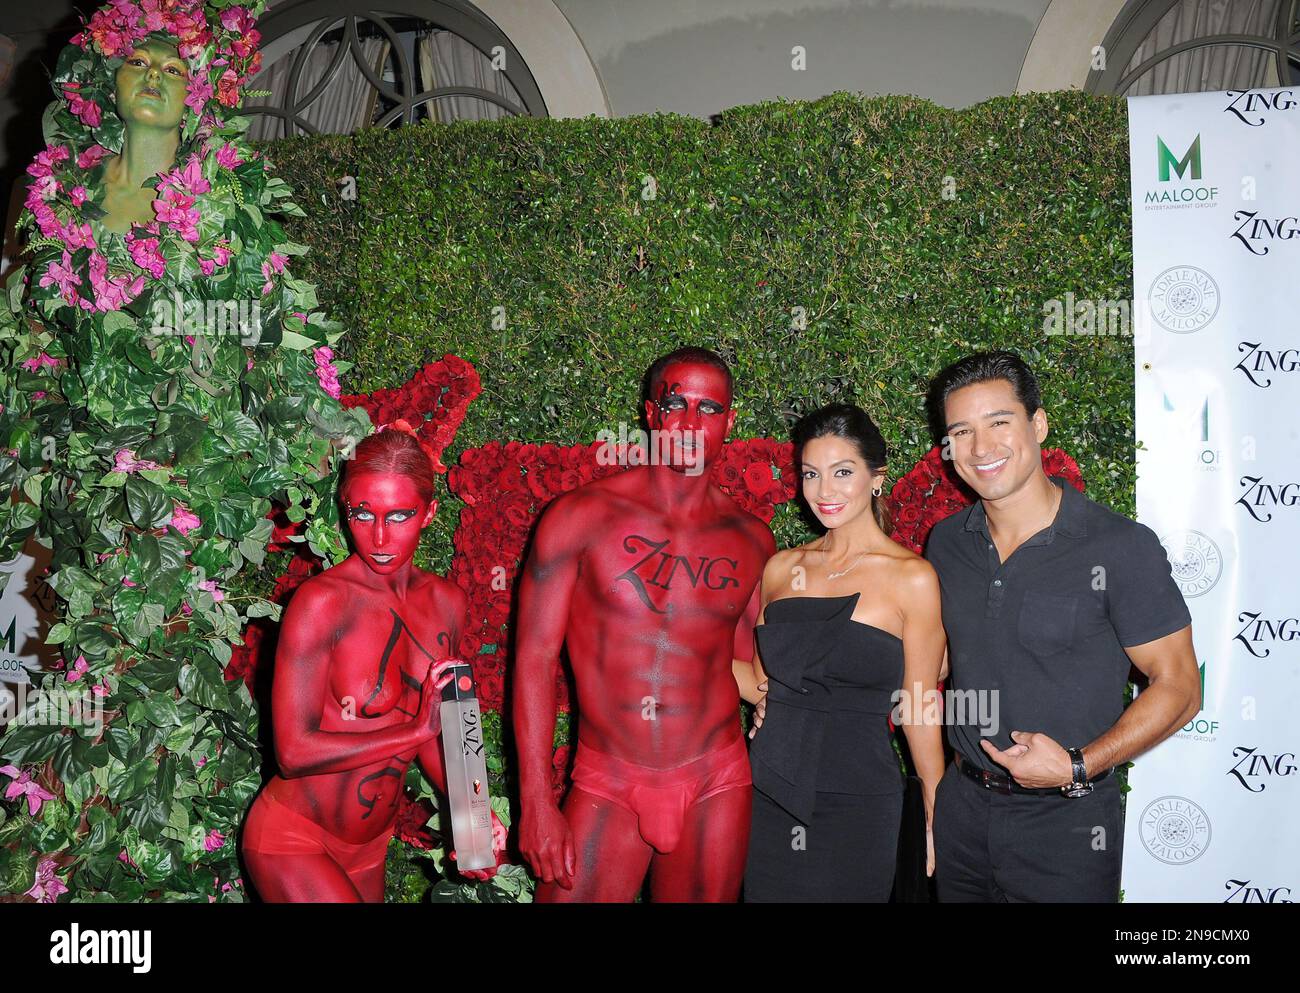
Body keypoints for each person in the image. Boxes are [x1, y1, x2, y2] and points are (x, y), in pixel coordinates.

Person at [924, 351, 1200, 902]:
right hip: (963, 813)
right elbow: (933, 664)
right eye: (962, 431)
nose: (981, 448)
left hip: (1068, 826)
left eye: (999, 422)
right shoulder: (947, 544)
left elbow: (1180, 688)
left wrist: (1078, 765)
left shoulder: (1119, 546)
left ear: (1039, 424)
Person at [514, 346, 775, 902]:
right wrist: (534, 800)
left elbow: (747, 666)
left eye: (709, 409)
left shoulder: (751, 539)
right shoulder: (578, 517)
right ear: (651, 413)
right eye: (676, 403)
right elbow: (534, 659)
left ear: (729, 421)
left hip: (717, 776)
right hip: (610, 780)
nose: (689, 423)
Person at [242, 423, 505, 902]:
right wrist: (416, 731)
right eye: (363, 514)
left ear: (428, 513)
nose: (379, 536)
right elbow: (293, 753)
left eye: (399, 516)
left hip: (369, 846)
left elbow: (435, 727)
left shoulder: (448, 604)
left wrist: (475, 816)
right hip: (295, 839)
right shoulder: (322, 602)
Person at [743, 404, 946, 902]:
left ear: (877, 478)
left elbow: (919, 705)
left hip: (859, 796)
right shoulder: (780, 569)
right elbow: (757, 679)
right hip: (767, 786)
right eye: (811, 474)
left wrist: (936, 808)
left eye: (842, 472)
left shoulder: (911, 578)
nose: (824, 490)